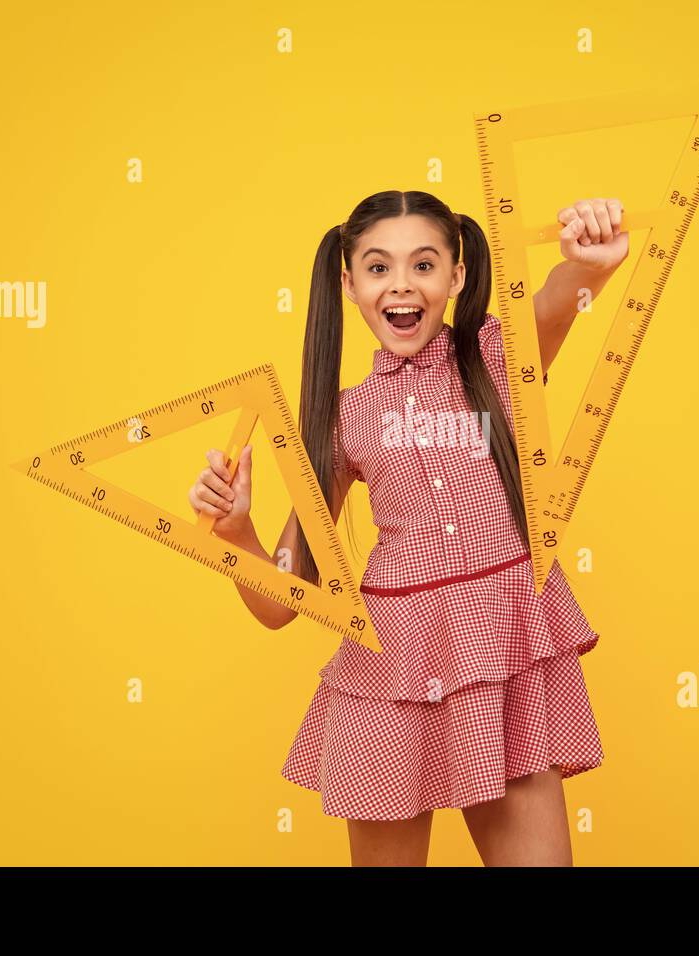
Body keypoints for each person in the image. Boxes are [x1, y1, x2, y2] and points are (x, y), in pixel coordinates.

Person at [188, 190, 629, 865]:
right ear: (349, 284)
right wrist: (235, 532)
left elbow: (561, 294)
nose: (401, 285)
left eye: (424, 265)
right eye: (377, 267)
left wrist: (591, 262)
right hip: (387, 670)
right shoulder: (343, 419)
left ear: (456, 276)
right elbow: (280, 603)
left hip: (499, 659)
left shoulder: (499, 356)